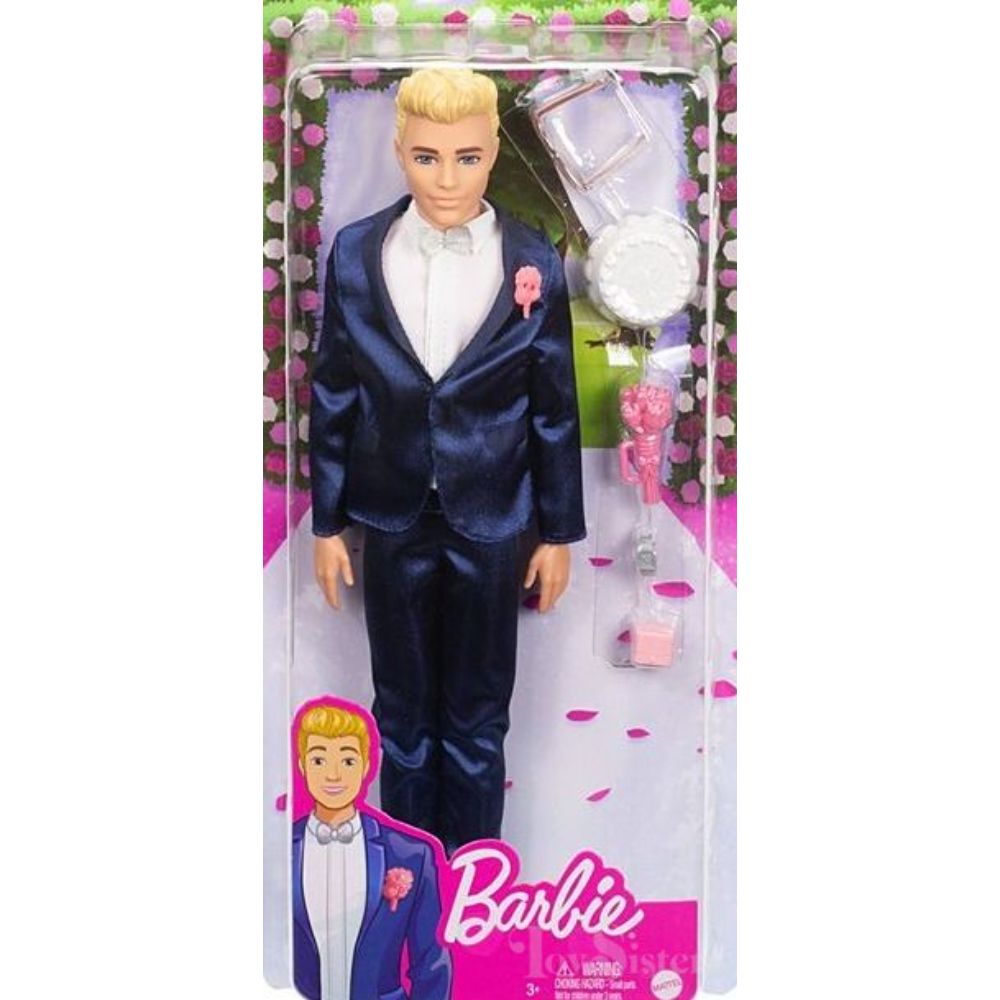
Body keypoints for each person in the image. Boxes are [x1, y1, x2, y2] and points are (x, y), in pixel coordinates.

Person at [309, 68, 585, 855]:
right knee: (400, 717)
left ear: (494, 151)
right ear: (400, 150)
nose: (447, 179)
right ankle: (410, 876)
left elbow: (553, 406)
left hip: (493, 519)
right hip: (390, 515)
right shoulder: (358, 253)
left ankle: (471, 880)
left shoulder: (531, 258)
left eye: (467, 157)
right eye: (427, 157)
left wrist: (558, 532)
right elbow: (334, 390)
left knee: (477, 719)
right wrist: (326, 523)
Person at [292, 701, 452, 1000]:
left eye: (347, 761)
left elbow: (430, 961)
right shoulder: (280, 851)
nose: (333, 775)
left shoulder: (411, 855)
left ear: (366, 765)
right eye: (319, 760)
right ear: (302, 765)